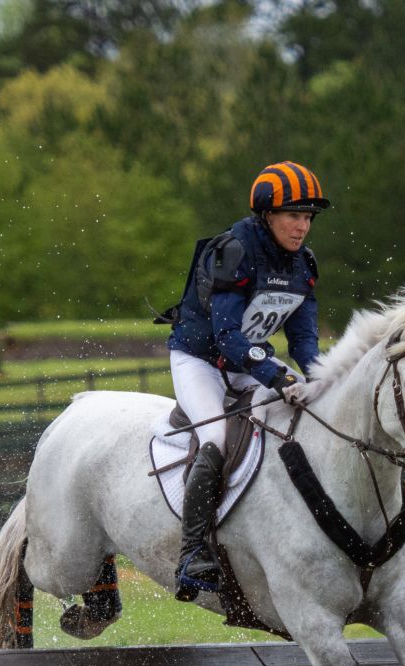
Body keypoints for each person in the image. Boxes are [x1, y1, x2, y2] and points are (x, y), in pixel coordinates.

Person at [161, 161, 330, 601]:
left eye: (308, 217)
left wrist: (325, 378)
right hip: (201, 361)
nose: (302, 226)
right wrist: (276, 375)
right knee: (216, 438)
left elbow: (305, 343)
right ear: (267, 215)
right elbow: (227, 336)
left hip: (246, 362)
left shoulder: (303, 265)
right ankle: (191, 553)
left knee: (301, 416)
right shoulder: (235, 251)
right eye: (293, 215)